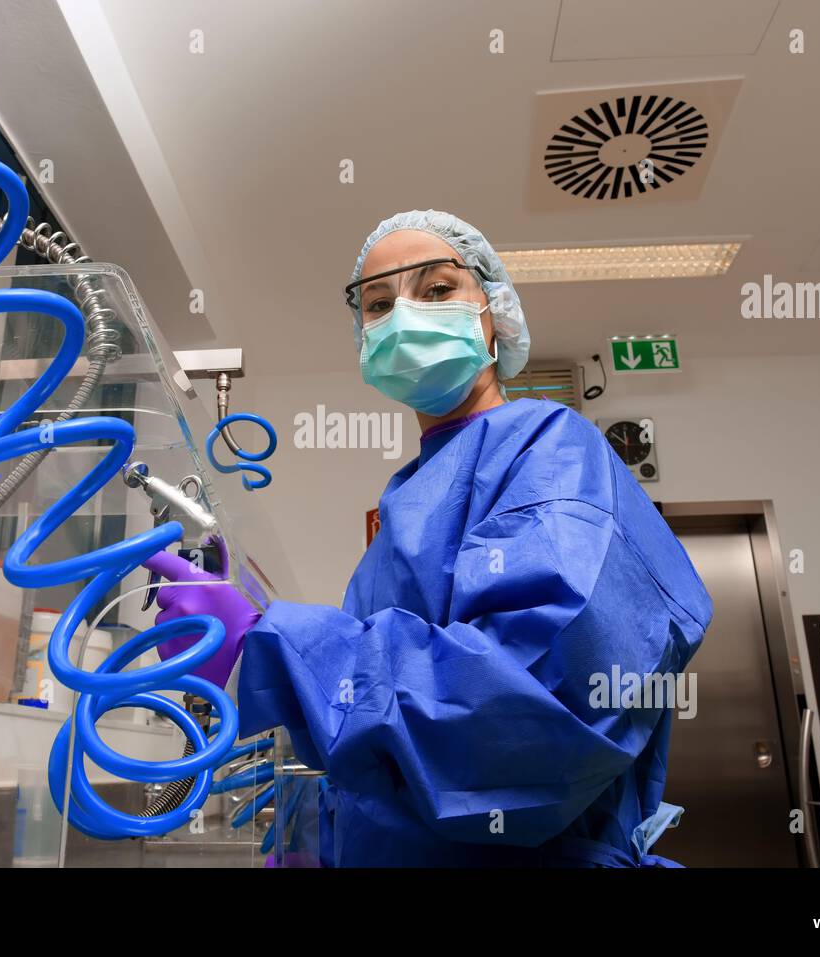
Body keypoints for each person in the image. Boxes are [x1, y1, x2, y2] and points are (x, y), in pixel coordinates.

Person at [145, 209, 713, 867]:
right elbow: (382, 741)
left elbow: (526, 704)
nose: (405, 315)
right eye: (379, 303)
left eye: (437, 290)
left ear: (493, 312)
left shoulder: (552, 449)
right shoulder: (405, 504)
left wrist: (268, 650)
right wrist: (315, 834)